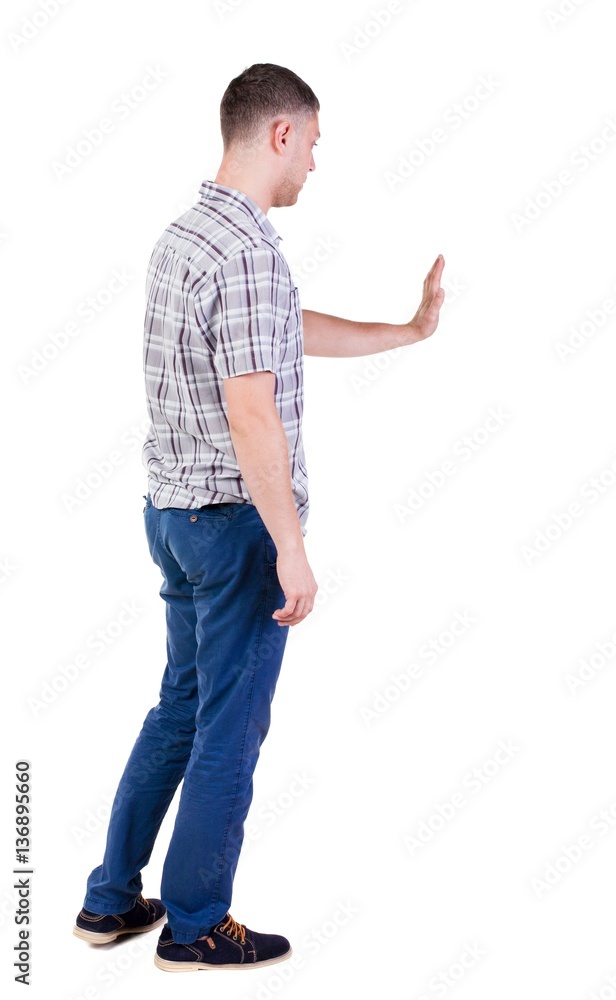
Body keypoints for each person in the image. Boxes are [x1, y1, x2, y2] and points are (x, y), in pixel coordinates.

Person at [73, 62, 445, 972]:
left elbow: (278, 330)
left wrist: (403, 330)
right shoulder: (247, 252)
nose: (315, 162)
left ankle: (109, 901)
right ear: (279, 133)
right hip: (234, 528)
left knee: (181, 708)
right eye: (313, 143)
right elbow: (252, 408)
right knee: (229, 730)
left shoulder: (189, 235)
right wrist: (291, 548)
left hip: (172, 516)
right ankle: (197, 926)